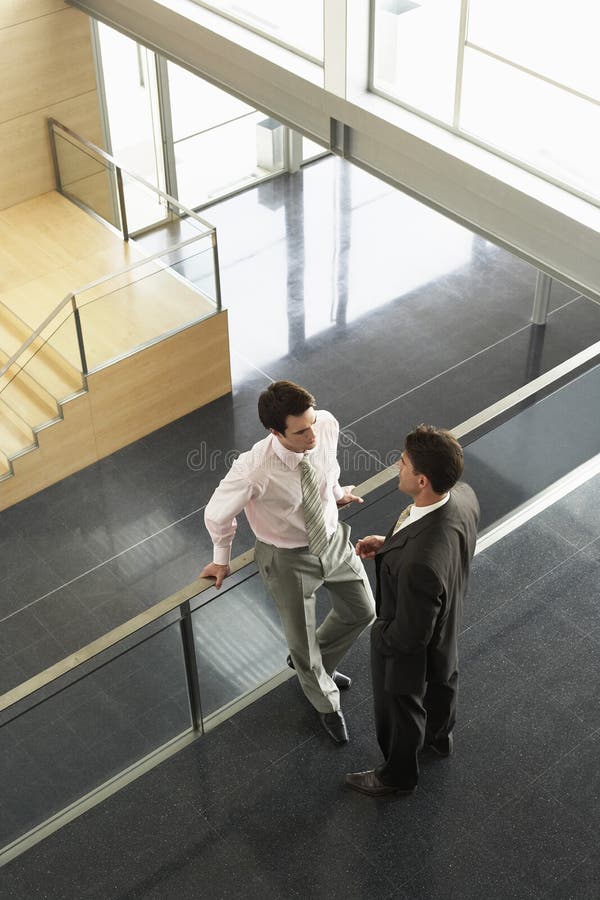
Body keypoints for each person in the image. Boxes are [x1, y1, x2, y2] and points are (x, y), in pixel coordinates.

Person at [201, 381, 375, 744]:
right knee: (302, 642)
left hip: (331, 539)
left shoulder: (325, 424)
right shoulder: (253, 468)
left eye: (312, 422)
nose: (312, 433)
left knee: (363, 609)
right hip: (287, 559)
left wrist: (337, 493)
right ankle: (326, 703)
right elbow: (217, 514)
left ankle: (314, 669)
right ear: (275, 431)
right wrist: (221, 558)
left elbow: (329, 466)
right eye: (300, 431)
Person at [345, 425, 479, 796]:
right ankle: (439, 738)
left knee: (401, 701)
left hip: (409, 628)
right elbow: (436, 545)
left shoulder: (420, 563)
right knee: (443, 675)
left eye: (402, 463)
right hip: (448, 612)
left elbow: (410, 636)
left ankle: (397, 774)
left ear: (421, 480)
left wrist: (379, 632)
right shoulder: (463, 497)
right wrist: (390, 546)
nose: (397, 466)